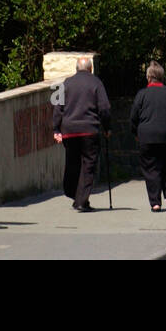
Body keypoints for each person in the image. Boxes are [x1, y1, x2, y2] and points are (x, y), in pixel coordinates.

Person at [53, 56, 111, 213]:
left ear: (76, 68)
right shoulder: (96, 83)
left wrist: (56, 129)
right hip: (89, 130)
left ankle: (73, 193)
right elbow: (104, 108)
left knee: (72, 162)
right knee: (88, 165)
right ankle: (81, 201)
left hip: (69, 131)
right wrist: (107, 127)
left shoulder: (66, 83)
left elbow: (58, 108)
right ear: (91, 69)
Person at [129, 61, 166, 212]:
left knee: (150, 169)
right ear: (162, 77)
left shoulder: (142, 95)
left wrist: (136, 133)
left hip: (147, 136)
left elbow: (133, 117)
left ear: (148, 77)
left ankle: (155, 202)